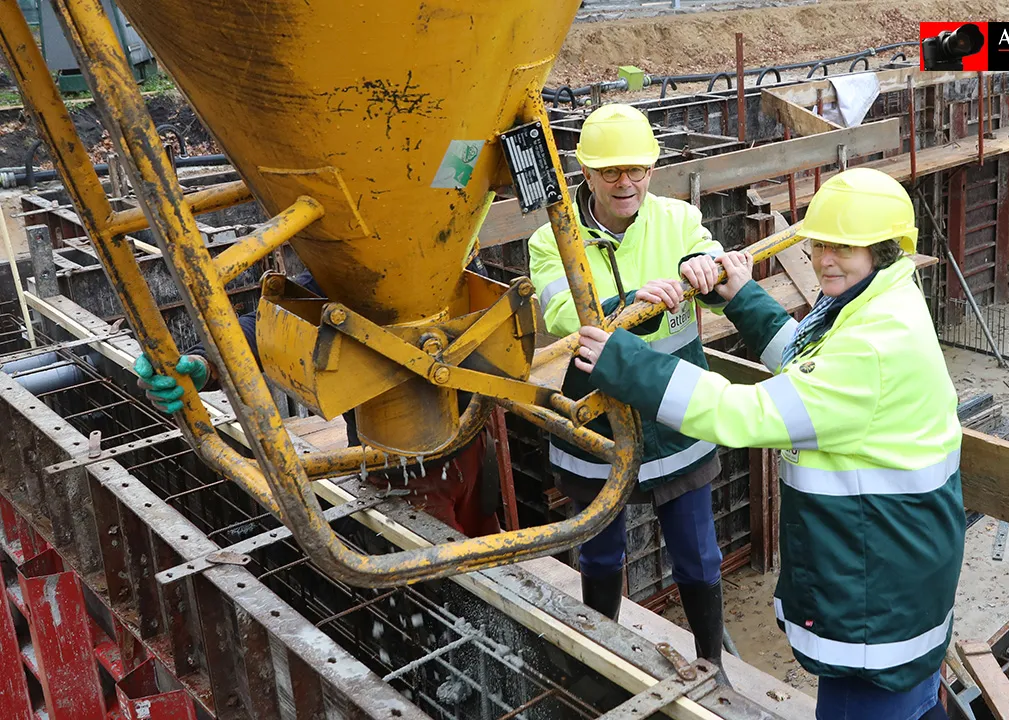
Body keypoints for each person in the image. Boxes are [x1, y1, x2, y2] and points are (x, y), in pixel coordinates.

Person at [572, 168, 965, 720]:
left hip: (877, 586)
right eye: (822, 243)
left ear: (881, 249)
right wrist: (743, 298)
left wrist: (626, 362)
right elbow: (811, 371)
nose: (825, 259)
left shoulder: (876, 345)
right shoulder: (884, 300)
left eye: (844, 248)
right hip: (898, 564)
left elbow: (745, 413)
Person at [528, 103, 733, 677]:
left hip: (675, 417)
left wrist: (707, 274)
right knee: (600, 549)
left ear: (652, 170)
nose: (627, 183)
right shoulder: (553, 238)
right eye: (611, 172)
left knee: (697, 554)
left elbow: (712, 272)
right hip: (599, 418)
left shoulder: (678, 218)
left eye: (638, 170)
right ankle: (603, 658)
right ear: (586, 174)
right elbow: (566, 312)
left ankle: (710, 662)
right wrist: (634, 303)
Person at [134, 259, 502, 539]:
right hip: (392, 462)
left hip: (469, 442)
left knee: (488, 551)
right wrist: (205, 361)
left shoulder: (455, 247)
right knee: (444, 580)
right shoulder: (362, 257)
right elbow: (275, 324)